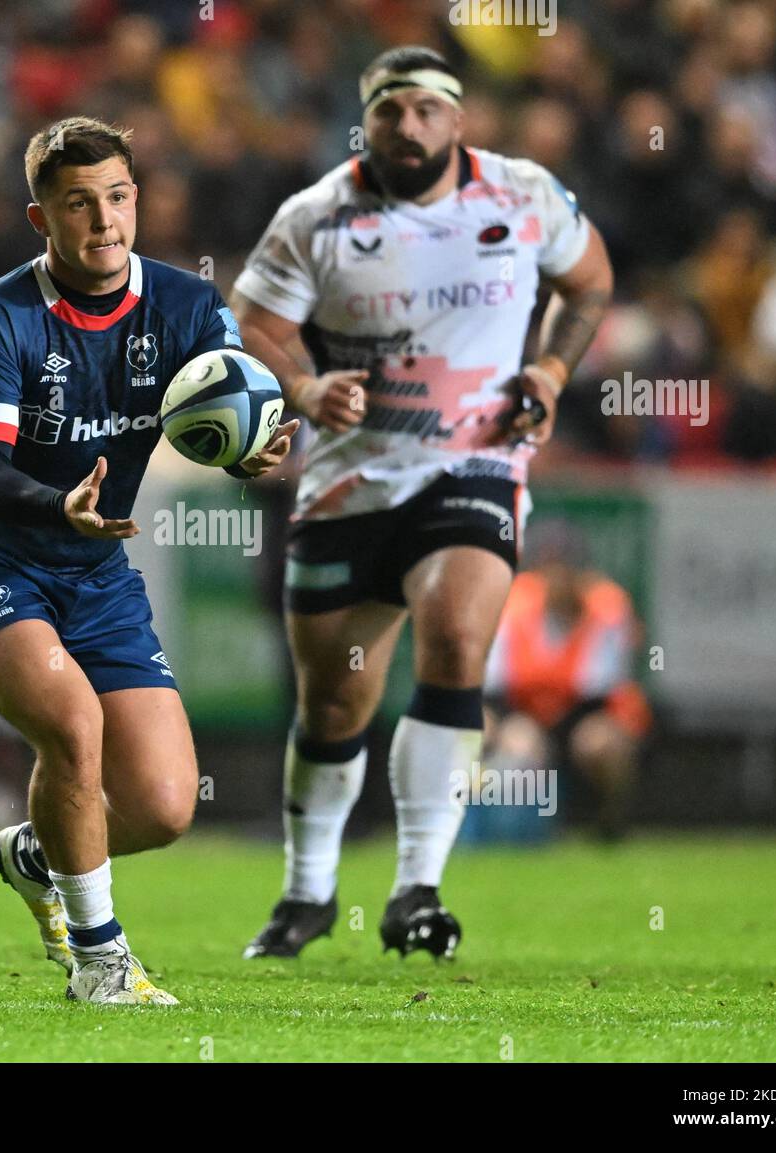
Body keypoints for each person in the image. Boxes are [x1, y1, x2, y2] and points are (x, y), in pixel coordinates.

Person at [0, 116, 298, 1005]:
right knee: (73, 727)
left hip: (95, 571)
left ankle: (39, 853)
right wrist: (58, 506)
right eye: (78, 204)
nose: (105, 220)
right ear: (41, 218)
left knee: (161, 806)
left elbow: (226, 407)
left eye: (118, 196)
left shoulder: (189, 306)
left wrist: (249, 454)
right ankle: (100, 961)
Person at [231, 46, 614, 959]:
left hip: (474, 465)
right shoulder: (316, 216)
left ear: (460, 118)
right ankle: (309, 891)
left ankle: (417, 889)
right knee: (334, 704)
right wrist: (305, 387)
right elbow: (257, 323)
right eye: (390, 110)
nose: (409, 126)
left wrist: (552, 371)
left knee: (454, 642)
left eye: (427, 109)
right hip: (348, 481)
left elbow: (589, 281)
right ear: (367, 120)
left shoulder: (522, 196)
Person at [484, 522, 651, 841]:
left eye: (566, 567)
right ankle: (513, 830)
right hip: (526, 712)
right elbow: (496, 686)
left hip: (587, 715)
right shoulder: (512, 605)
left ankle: (611, 821)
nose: (558, 578)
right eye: (550, 567)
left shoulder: (608, 607)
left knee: (599, 743)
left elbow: (599, 689)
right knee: (506, 738)